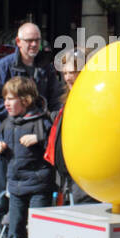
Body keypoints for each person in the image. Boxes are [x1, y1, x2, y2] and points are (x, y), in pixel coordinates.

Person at [0, 23, 63, 237]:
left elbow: (53, 100)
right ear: (18, 42)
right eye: (28, 41)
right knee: (3, 190)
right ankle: (7, 235)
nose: (33, 44)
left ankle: (30, 233)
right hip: (3, 138)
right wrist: (14, 117)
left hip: (34, 139)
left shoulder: (45, 68)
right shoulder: (1, 66)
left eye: (37, 40)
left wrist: (49, 123)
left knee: (37, 187)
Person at [0, 76, 53, 238]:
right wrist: (0, 149)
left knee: (39, 232)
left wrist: (39, 140)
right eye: (5, 99)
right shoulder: (7, 123)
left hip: (38, 185)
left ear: (26, 100)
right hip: (16, 186)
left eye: (11, 99)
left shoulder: (41, 121)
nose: (6, 104)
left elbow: (54, 147)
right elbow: (5, 152)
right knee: (15, 231)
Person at [45, 49, 89, 205]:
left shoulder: (90, 99)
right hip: (67, 174)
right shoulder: (68, 98)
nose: (68, 78)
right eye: (65, 73)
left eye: (73, 72)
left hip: (83, 173)